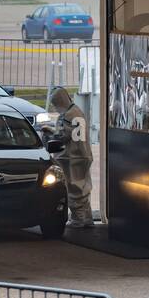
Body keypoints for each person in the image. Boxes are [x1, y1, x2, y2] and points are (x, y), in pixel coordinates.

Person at [46, 86, 94, 228]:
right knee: (83, 187)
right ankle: (87, 217)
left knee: (73, 188)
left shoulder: (66, 116)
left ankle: (78, 218)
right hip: (83, 155)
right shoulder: (77, 112)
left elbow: (63, 136)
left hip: (70, 157)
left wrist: (50, 132)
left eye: (55, 104)